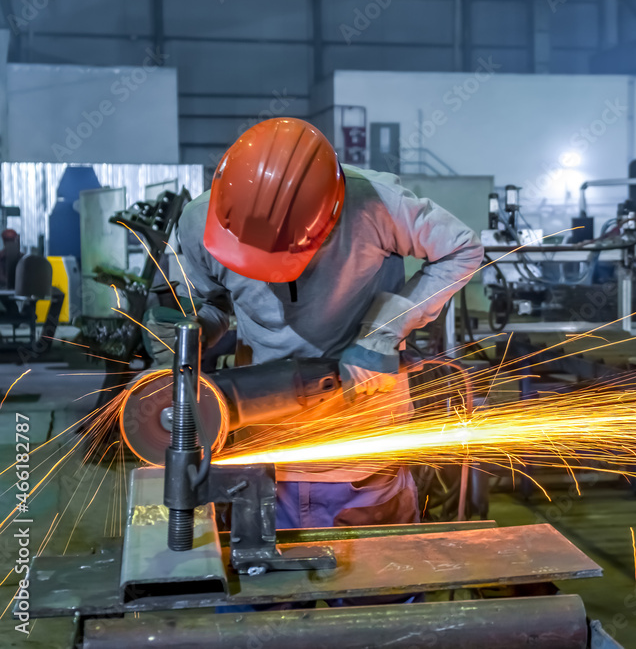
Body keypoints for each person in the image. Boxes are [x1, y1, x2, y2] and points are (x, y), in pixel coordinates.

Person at [159, 116, 483, 530]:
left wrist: (381, 332)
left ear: (329, 213)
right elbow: (210, 301)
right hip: (262, 445)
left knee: (378, 587)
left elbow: (462, 249)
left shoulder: (377, 202)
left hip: (360, 443)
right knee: (265, 583)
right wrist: (195, 331)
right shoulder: (200, 221)